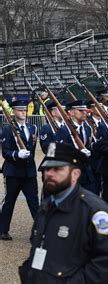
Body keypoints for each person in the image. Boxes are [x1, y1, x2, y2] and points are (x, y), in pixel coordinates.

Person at [19, 142, 108, 283]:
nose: (49, 174)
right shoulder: (47, 205)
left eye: (57, 169)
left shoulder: (94, 211)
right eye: (46, 169)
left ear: (75, 174)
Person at [0, 100, 39, 241]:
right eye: (20, 110)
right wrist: (17, 154)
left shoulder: (33, 127)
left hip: (29, 172)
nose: (24, 112)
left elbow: (33, 148)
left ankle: (40, 230)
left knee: (34, 202)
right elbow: (5, 152)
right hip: (13, 172)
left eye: (25, 110)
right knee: (9, 201)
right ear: (14, 112)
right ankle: (3, 230)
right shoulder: (6, 129)